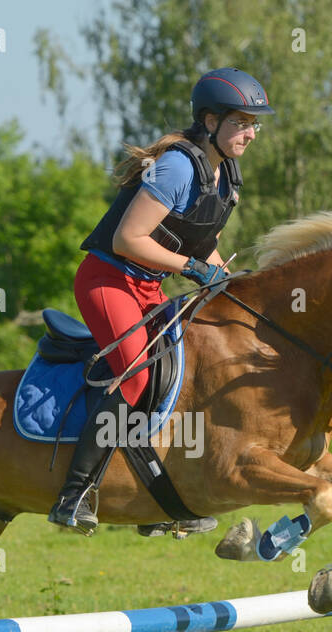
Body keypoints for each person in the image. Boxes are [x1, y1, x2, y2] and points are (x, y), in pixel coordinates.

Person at [48, 67, 276, 534]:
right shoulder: (175, 166)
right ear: (210, 122)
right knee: (135, 378)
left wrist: (226, 281)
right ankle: (74, 496)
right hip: (109, 280)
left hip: (148, 286)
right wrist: (193, 269)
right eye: (241, 122)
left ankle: (159, 501)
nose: (251, 133)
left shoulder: (224, 172)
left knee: (189, 372)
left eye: (255, 124)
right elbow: (129, 239)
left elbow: (198, 239)